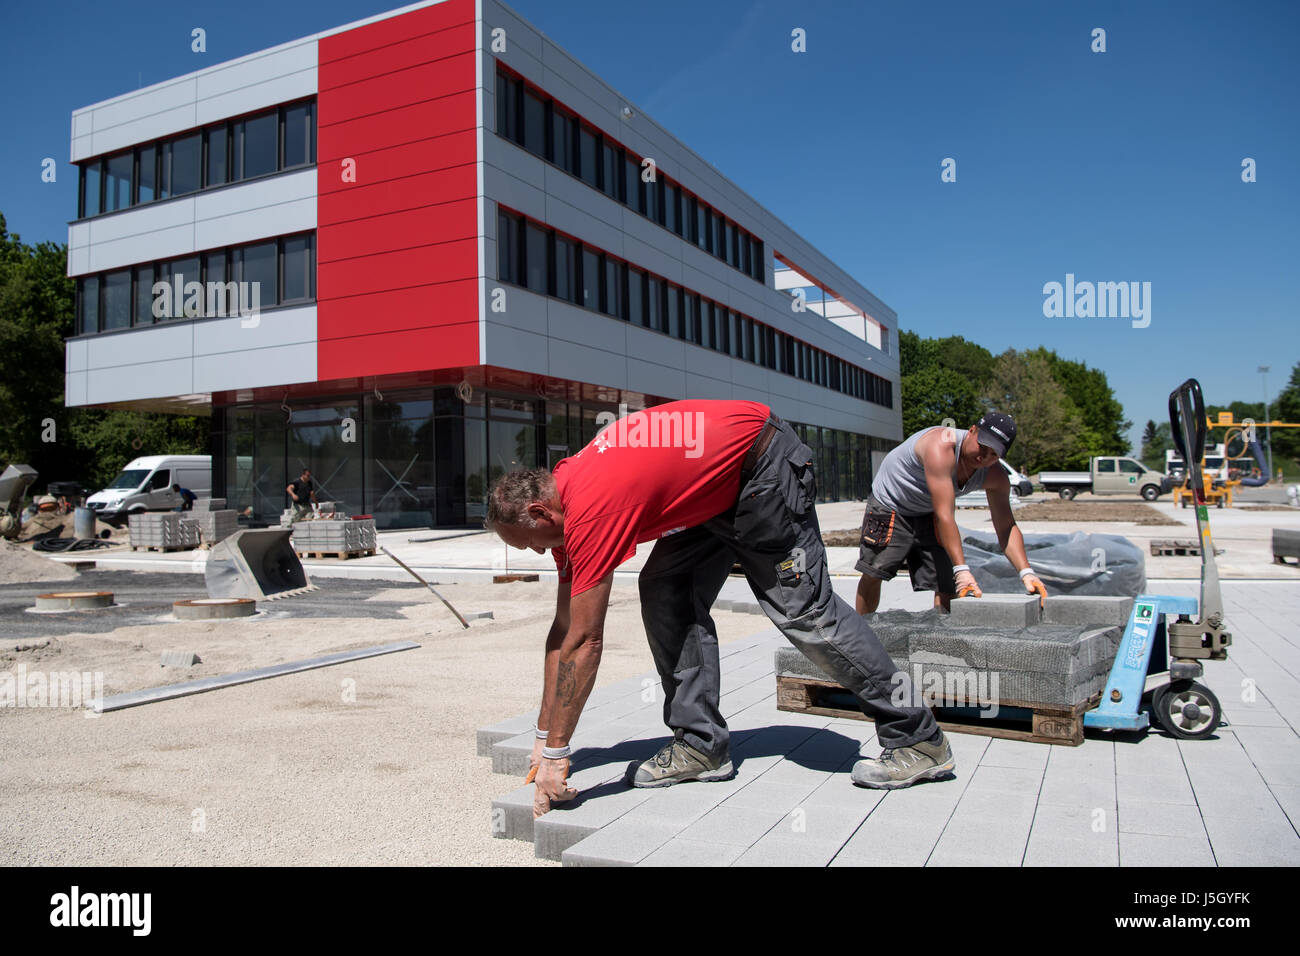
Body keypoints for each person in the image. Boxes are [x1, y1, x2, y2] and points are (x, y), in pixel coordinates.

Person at [486, 400, 954, 819]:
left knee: (806, 611)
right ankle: (700, 745)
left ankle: (917, 737)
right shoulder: (564, 494)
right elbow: (562, 628)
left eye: (531, 544)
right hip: (715, 487)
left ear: (541, 511)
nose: (539, 555)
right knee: (667, 587)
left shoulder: (589, 509)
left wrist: (558, 754)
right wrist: (543, 734)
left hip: (763, 466)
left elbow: (585, 641)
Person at [854, 412, 1047, 615]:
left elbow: (1006, 526)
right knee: (874, 573)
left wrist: (1027, 572)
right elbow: (944, 516)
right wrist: (962, 570)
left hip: (929, 509)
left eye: (994, 454)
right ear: (972, 431)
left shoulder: (995, 475)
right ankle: (860, 633)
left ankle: (942, 639)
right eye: (982, 446)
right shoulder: (940, 447)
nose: (984, 457)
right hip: (892, 504)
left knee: (947, 582)